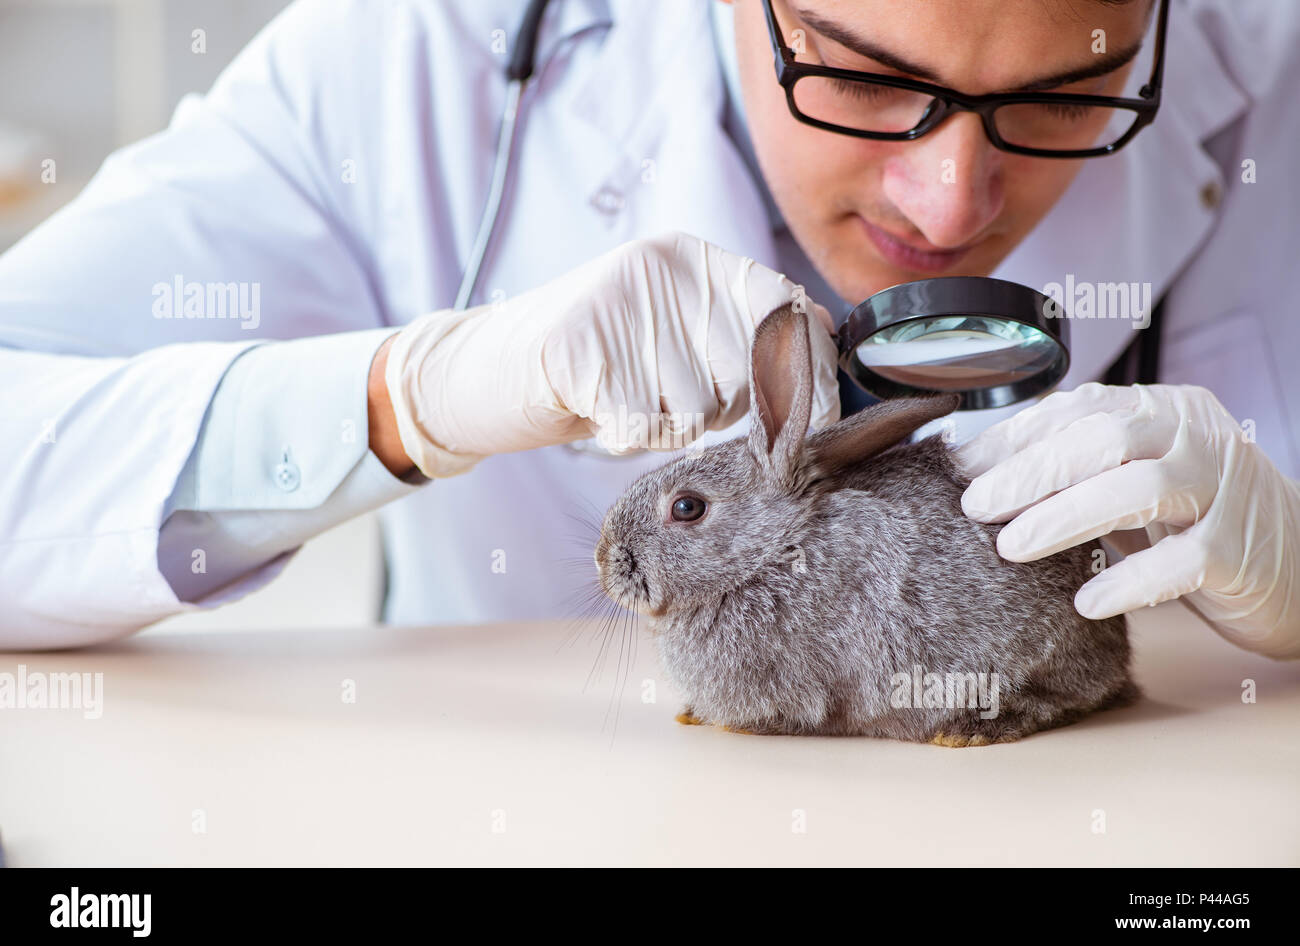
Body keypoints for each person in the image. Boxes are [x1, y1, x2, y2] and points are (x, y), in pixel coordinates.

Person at [0, 0, 1296, 656]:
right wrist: (417, 396)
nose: (949, 202)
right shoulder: (417, 52)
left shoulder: (1268, 58)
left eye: (1070, 94)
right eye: (859, 72)